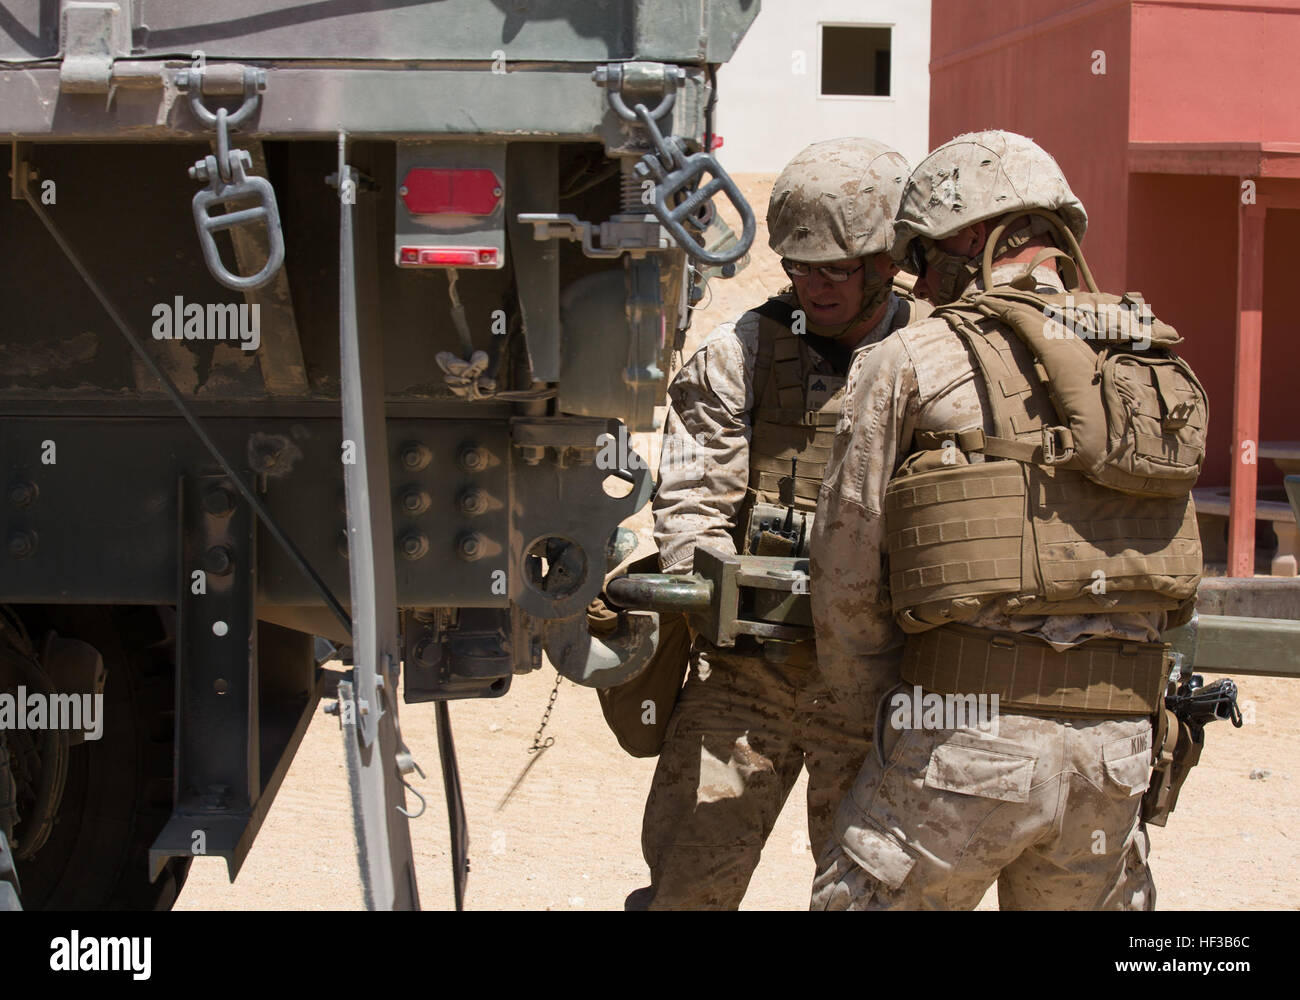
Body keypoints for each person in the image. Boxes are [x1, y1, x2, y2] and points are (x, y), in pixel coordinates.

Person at [809, 130, 1206, 910]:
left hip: (961, 742)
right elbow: (1176, 580)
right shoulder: (1145, 359)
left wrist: (875, 720)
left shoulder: (909, 360)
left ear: (969, 236)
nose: (921, 282)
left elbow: (846, 568)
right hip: (1117, 755)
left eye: (924, 256)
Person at [629, 138, 931, 909]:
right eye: (801, 266)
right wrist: (708, 573)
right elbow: (693, 500)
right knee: (686, 887)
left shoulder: (938, 360)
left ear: (886, 261)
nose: (814, 286)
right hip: (745, 678)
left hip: (871, 687)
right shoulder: (739, 354)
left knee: (869, 896)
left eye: (837, 268)